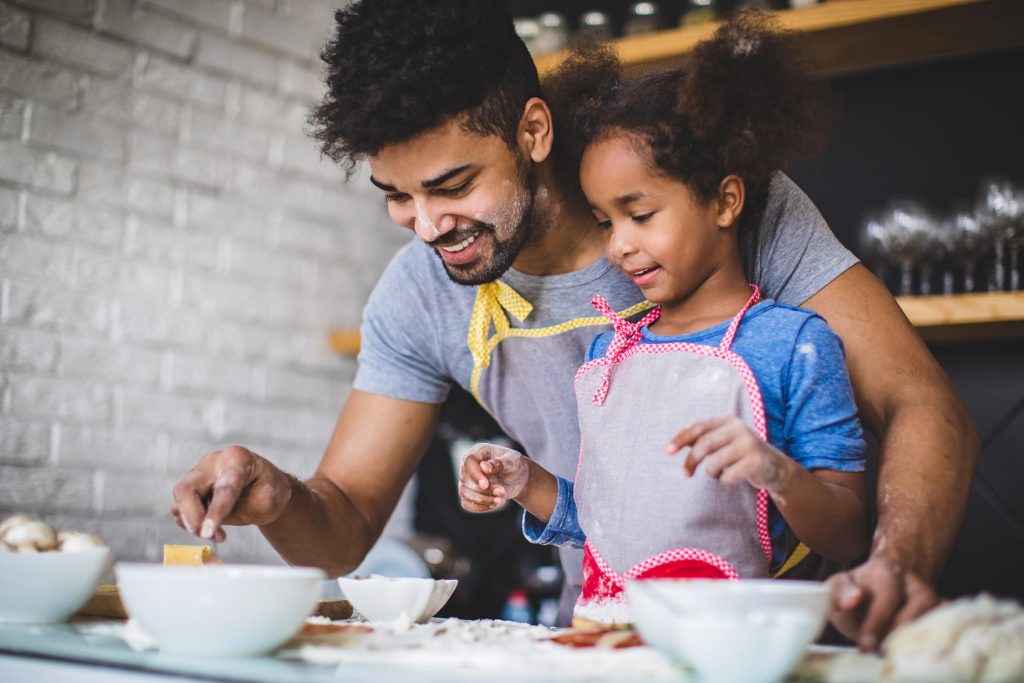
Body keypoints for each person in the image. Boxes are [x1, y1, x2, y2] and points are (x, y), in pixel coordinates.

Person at [168, 0, 978, 650]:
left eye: (452, 184)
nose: (424, 225)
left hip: (785, 640)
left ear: (532, 130)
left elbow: (923, 403)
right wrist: (276, 496)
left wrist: (894, 567)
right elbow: (342, 527)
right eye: (396, 194)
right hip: (600, 636)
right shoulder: (418, 291)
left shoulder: (695, 198)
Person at [456, 15, 869, 624]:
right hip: (600, 637)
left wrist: (774, 472)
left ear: (726, 201)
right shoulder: (609, 351)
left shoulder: (792, 343)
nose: (619, 244)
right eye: (605, 221)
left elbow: (849, 532)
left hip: (722, 646)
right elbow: (599, 525)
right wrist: (524, 481)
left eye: (640, 214)